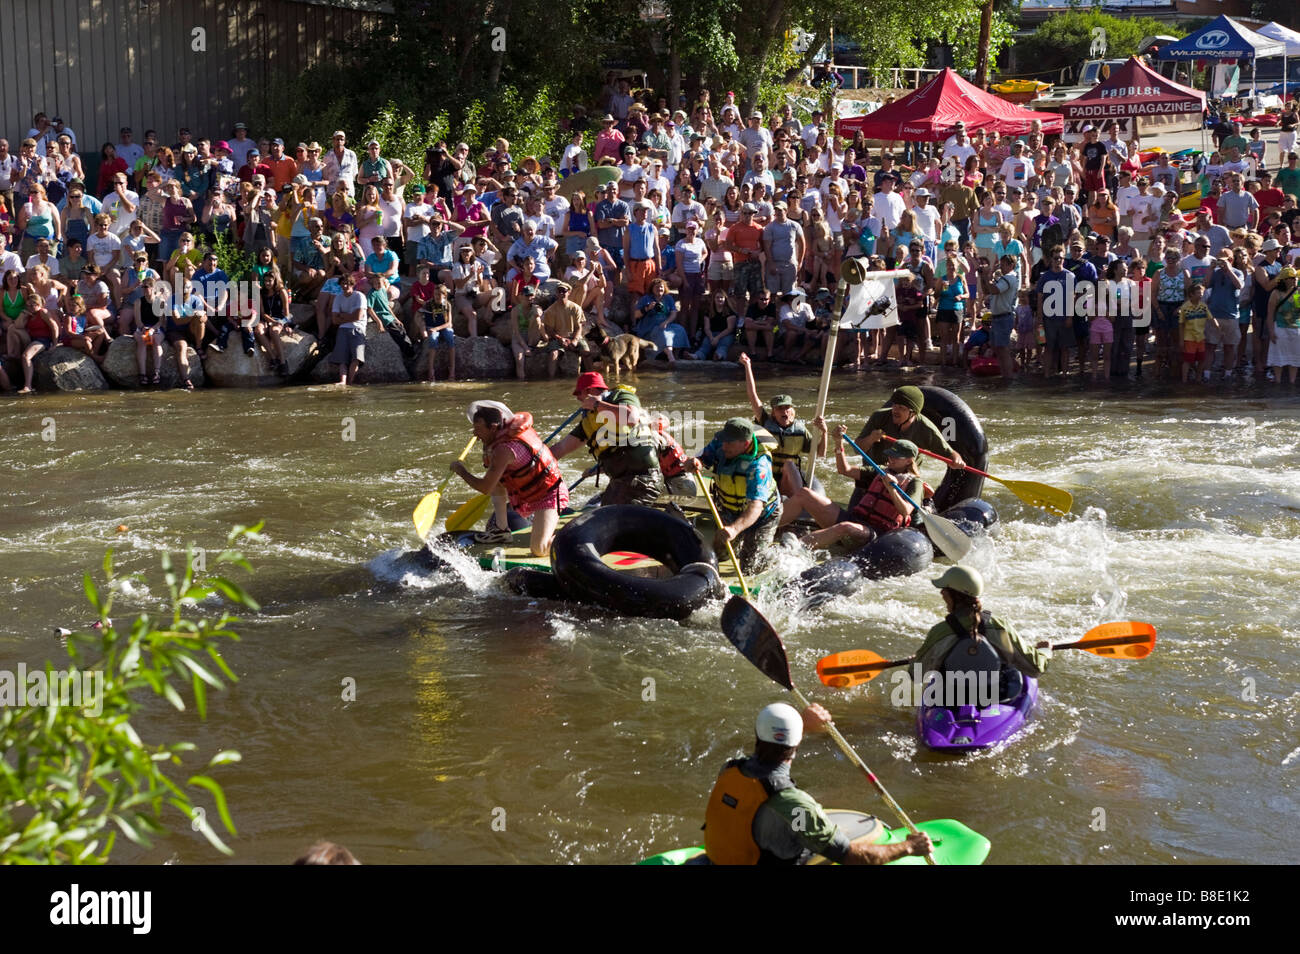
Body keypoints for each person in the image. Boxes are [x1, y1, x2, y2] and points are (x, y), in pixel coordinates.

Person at [703, 701, 933, 865]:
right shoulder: (794, 805)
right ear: (797, 742)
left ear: (757, 734)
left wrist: (802, 723)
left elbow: (774, 753)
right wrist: (910, 847)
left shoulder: (730, 769)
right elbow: (851, 857)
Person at [914, 566, 1051, 708]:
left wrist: (919, 659)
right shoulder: (1000, 626)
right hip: (995, 695)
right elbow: (1036, 668)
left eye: (945, 590)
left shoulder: (940, 632)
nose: (941, 592)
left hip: (951, 698)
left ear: (955, 595)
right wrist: (1044, 652)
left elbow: (915, 675)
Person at [451, 401, 570, 557]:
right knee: (496, 478)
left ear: (493, 427)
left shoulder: (504, 449)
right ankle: (501, 530)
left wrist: (462, 471)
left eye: (478, 428)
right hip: (529, 491)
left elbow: (485, 488)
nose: (474, 433)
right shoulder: (498, 439)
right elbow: (492, 476)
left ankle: (573, 538)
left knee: (539, 549)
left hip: (549, 493)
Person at [778, 432, 920, 552]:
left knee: (845, 527)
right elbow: (844, 470)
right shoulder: (881, 471)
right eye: (890, 455)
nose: (891, 459)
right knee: (804, 493)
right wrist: (839, 443)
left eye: (896, 457)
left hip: (875, 533)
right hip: (854, 518)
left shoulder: (914, 482)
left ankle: (795, 548)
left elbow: (905, 511)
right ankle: (766, 525)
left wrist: (891, 489)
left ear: (909, 461)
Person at [686, 416, 782, 573]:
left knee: (750, 566)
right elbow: (701, 458)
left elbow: (756, 506)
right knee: (719, 552)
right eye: (724, 440)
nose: (724, 446)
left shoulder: (759, 466)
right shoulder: (721, 444)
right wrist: (695, 461)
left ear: (745, 444)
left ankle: (782, 551)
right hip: (730, 508)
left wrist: (734, 529)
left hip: (763, 515)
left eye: (729, 443)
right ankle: (737, 544)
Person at [551, 371, 662, 505]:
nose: (578, 398)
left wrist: (597, 405)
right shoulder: (589, 421)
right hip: (620, 482)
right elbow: (561, 448)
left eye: (579, 393)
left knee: (615, 520)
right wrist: (532, 458)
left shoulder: (620, 396)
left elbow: (631, 418)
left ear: (589, 390)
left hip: (644, 479)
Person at [852, 385, 962, 507]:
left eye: (901, 408)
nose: (895, 410)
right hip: (873, 475)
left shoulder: (925, 428)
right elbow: (857, 449)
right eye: (894, 405)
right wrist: (871, 439)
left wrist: (956, 460)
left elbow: (950, 453)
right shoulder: (879, 417)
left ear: (912, 413)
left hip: (902, 483)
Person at [738, 352, 824, 497]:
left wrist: (825, 433)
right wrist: (748, 366)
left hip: (787, 479)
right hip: (767, 476)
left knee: (789, 464)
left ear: (792, 411)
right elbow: (753, 396)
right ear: (774, 413)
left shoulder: (800, 430)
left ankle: (800, 500)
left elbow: (820, 453)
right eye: (779, 408)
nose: (784, 411)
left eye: (787, 408)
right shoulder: (766, 421)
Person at [1266, 266, 1300, 384]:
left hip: (1295, 329)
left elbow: (1298, 309)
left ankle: (1292, 381)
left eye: (1296, 277)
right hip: (1280, 328)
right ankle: (1278, 380)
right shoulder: (1276, 293)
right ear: (1285, 279)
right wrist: (1271, 331)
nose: (1295, 279)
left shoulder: (1297, 292)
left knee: (1295, 356)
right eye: (1292, 277)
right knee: (1278, 357)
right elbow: (1270, 314)